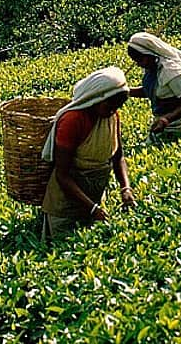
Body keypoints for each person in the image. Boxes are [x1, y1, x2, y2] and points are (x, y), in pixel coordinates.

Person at [40, 67, 135, 240]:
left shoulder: (112, 116)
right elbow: (62, 175)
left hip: (94, 195)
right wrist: (92, 208)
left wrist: (125, 188)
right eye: (110, 105)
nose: (113, 110)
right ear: (96, 99)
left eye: (118, 106)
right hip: (66, 204)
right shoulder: (73, 120)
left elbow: (118, 156)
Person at [126, 32, 181, 141]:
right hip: (164, 122)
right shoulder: (151, 69)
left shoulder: (171, 71)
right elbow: (149, 91)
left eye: (140, 60)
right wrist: (125, 91)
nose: (138, 64)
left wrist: (166, 120)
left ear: (149, 54)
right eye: (136, 61)